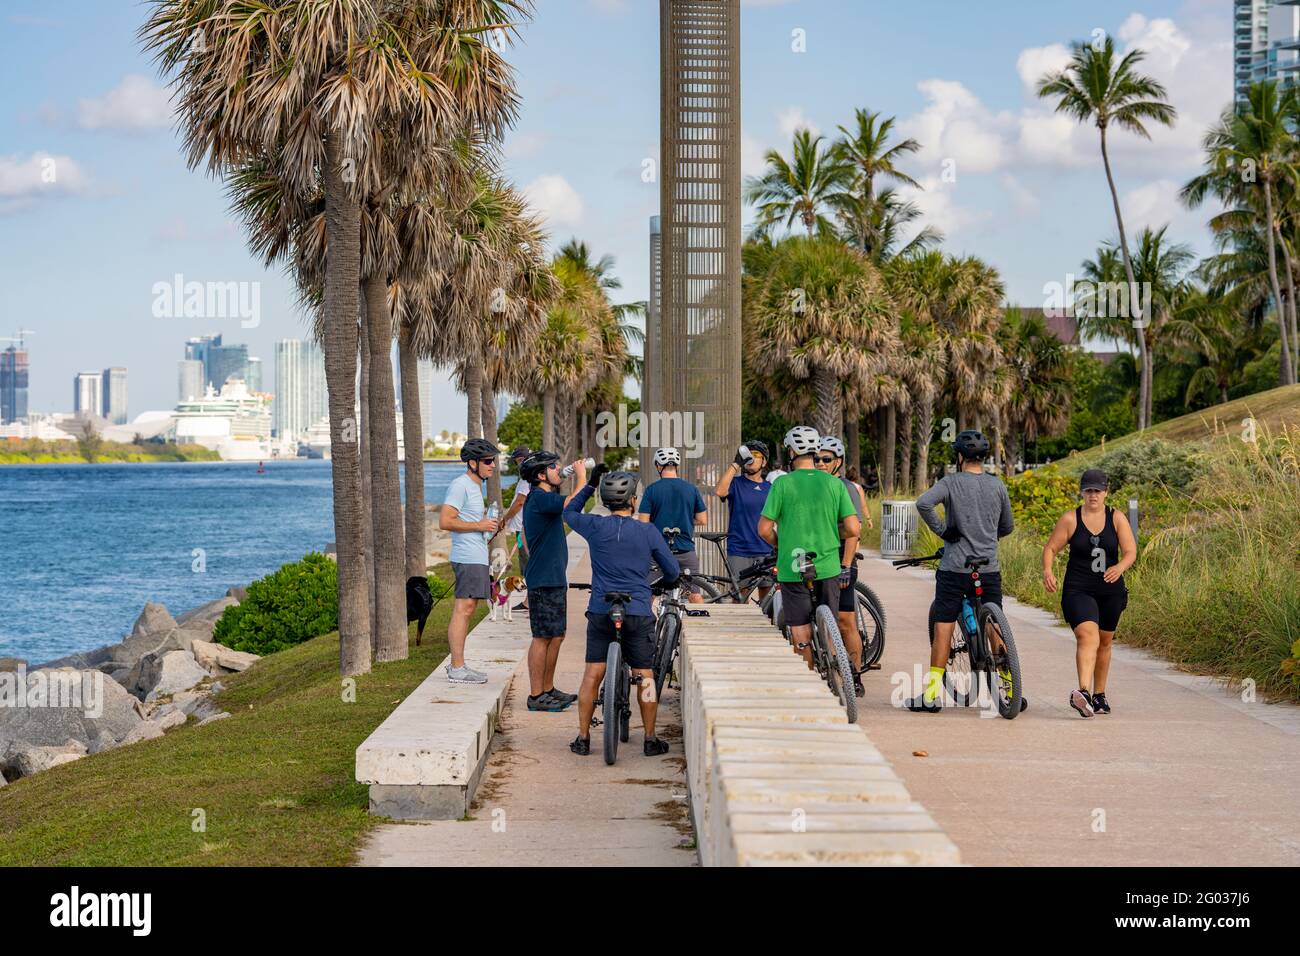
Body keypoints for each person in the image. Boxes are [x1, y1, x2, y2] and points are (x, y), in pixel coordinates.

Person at [564, 464, 680, 757]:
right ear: (632, 500)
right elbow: (672, 570)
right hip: (638, 610)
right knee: (645, 675)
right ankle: (650, 739)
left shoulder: (594, 525)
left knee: (593, 673)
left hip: (602, 608)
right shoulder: (647, 531)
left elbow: (569, 514)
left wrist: (589, 483)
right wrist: (664, 582)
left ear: (605, 500)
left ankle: (583, 738)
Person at [908, 430, 1019, 712]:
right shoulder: (997, 486)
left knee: (943, 624)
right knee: (994, 624)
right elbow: (1007, 526)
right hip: (989, 567)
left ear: (960, 456)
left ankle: (932, 694)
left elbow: (923, 503)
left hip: (955, 567)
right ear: (983, 458)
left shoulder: (950, 482)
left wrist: (944, 531)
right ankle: (1009, 686)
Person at [757, 426, 860, 672]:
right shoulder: (835, 485)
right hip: (828, 564)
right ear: (814, 451)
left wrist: (781, 543)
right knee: (831, 624)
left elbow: (763, 529)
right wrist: (835, 535)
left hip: (795, 563)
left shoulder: (782, 484)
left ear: (792, 451)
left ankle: (810, 681)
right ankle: (841, 673)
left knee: (800, 630)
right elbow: (853, 528)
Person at [1042, 468, 1136, 718]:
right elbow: (1051, 548)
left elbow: (1130, 551)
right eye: (1089, 490)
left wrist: (1119, 567)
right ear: (1082, 492)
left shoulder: (1116, 518)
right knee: (1088, 636)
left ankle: (1099, 696)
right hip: (1078, 588)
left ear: (1106, 492)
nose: (1093, 495)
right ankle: (1083, 692)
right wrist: (1048, 570)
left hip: (1110, 590)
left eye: (1098, 490)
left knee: (1104, 641)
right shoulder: (1070, 519)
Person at [518, 451, 585, 712]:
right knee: (542, 637)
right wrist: (581, 477)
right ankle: (536, 695)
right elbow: (572, 503)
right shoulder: (539, 498)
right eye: (553, 467)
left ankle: (548, 689)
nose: (558, 470)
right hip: (543, 579)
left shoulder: (546, 498)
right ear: (540, 475)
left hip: (554, 578)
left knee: (556, 636)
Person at [438, 438, 502, 684]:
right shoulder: (460, 485)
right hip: (467, 558)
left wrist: (487, 529)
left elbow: (468, 522)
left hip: (476, 556)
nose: (493, 465)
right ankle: (456, 668)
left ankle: (459, 665)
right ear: (472, 462)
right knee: (463, 610)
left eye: (494, 460)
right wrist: (479, 525)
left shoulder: (475, 487)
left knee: (469, 609)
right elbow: (445, 521)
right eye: (488, 461)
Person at [815, 435, 871, 692]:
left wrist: (846, 565)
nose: (820, 463)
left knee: (846, 621)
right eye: (816, 459)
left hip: (840, 560)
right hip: (817, 559)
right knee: (820, 618)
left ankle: (855, 675)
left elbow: (853, 531)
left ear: (838, 462)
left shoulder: (846, 488)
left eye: (826, 459)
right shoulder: (815, 485)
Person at [638, 447, 708, 604]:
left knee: (648, 594)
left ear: (658, 465)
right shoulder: (691, 489)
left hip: (658, 552)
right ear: (677, 465)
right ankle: (703, 624)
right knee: (694, 593)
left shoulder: (651, 490)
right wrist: (686, 521)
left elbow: (643, 522)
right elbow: (703, 519)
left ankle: (644, 627)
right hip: (686, 550)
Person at [714, 439, 774, 601]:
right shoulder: (736, 483)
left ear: (764, 462)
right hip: (740, 550)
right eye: (748, 455)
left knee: (768, 602)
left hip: (766, 550)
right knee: (740, 599)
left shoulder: (770, 488)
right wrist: (736, 463)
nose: (751, 458)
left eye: (756, 455)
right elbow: (720, 491)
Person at [501, 445, 533, 610]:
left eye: (521, 460)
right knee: (526, 563)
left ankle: (529, 602)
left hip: (523, 530)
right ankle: (530, 600)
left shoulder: (527, 479)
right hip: (523, 529)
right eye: (517, 461)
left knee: (528, 564)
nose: (519, 464)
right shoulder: (529, 478)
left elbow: (519, 502)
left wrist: (505, 519)